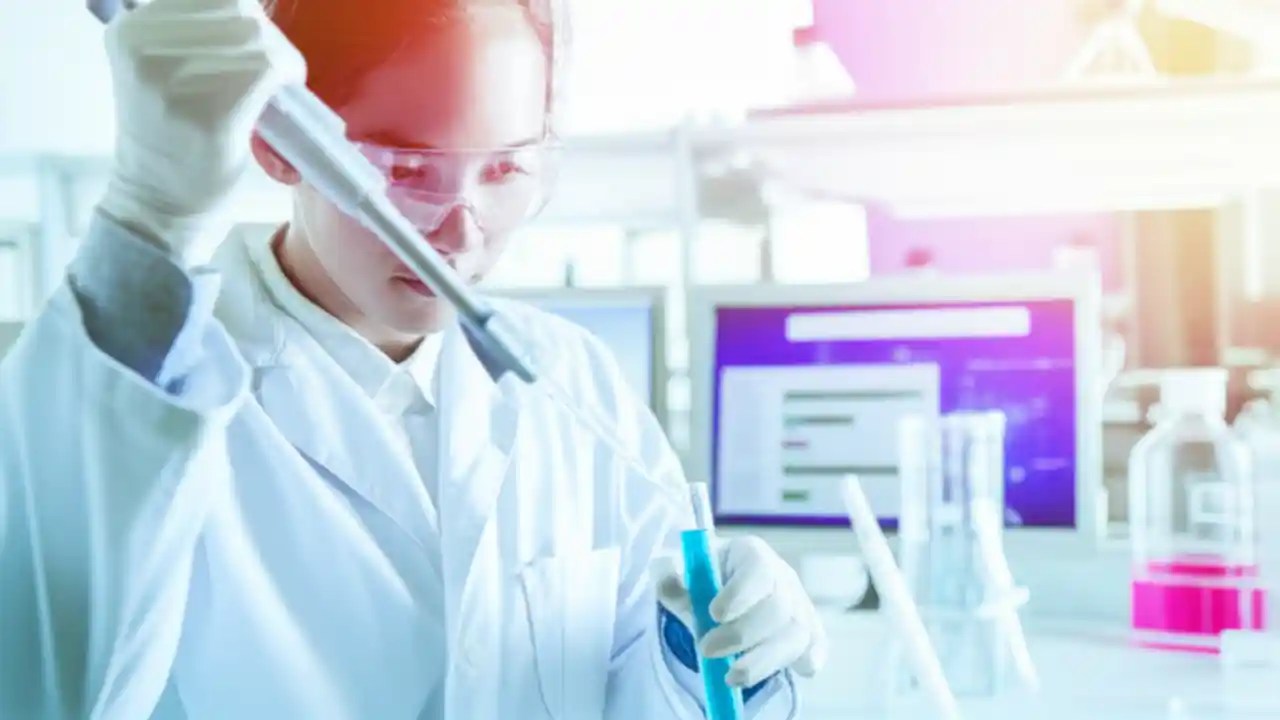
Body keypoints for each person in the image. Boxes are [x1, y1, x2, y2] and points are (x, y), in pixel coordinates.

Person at [0, 0, 827, 718]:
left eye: (504, 167)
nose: (463, 232)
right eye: (404, 168)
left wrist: (699, 652)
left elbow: (624, 690)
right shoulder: (145, 385)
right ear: (281, 143)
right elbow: (50, 691)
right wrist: (149, 222)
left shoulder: (571, 382)